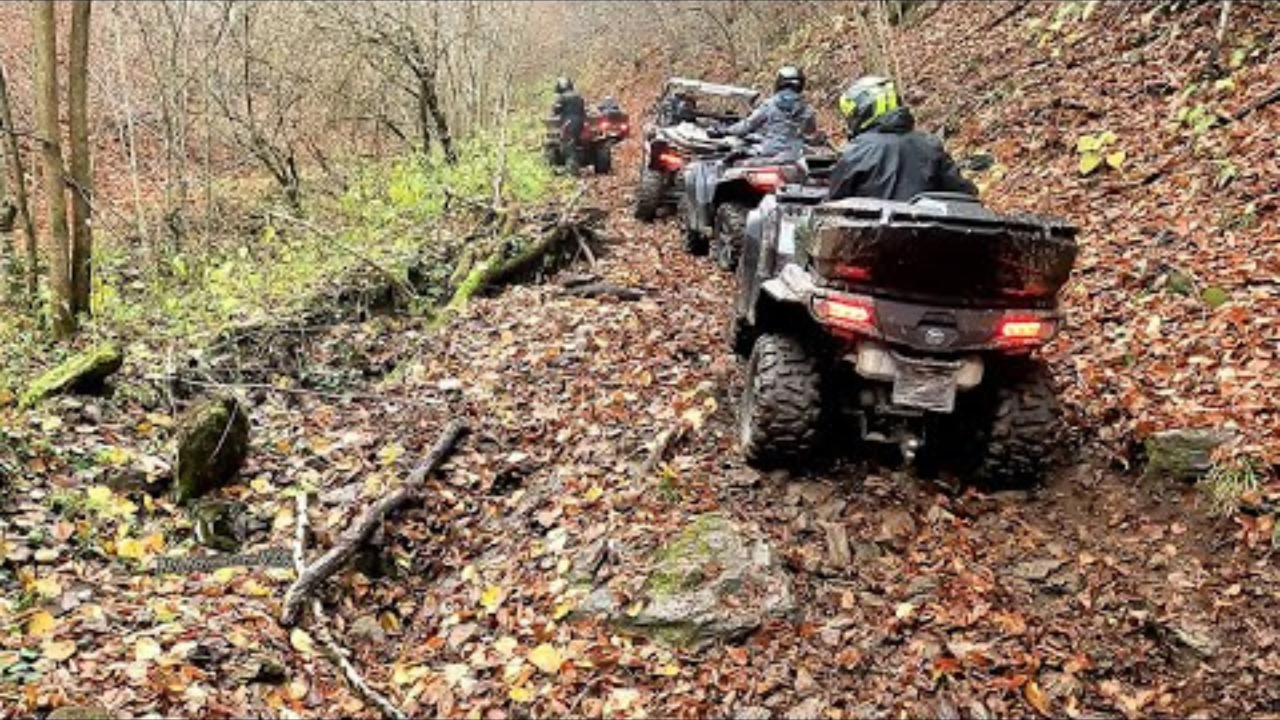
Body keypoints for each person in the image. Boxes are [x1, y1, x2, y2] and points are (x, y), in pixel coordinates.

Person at [827, 76, 977, 201]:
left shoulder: (855, 154)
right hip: (929, 234)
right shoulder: (930, 146)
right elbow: (964, 194)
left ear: (861, 113)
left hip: (872, 235)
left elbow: (831, 207)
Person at [711, 65, 817, 162]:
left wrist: (724, 130)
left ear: (779, 82)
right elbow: (810, 131)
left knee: (727, 161)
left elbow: (747, 126)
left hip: (769, 152)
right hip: (795, 154)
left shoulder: (769, 105)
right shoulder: (808, 109)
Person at [551, 76, 587, 171]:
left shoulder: (562, 98)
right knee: (574, 142)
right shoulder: (579, 97)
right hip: (581, 123)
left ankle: (573, 168)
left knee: (568, 145)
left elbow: (555, 111)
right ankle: (574, 166)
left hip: (569, 122)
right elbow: (583, 111)